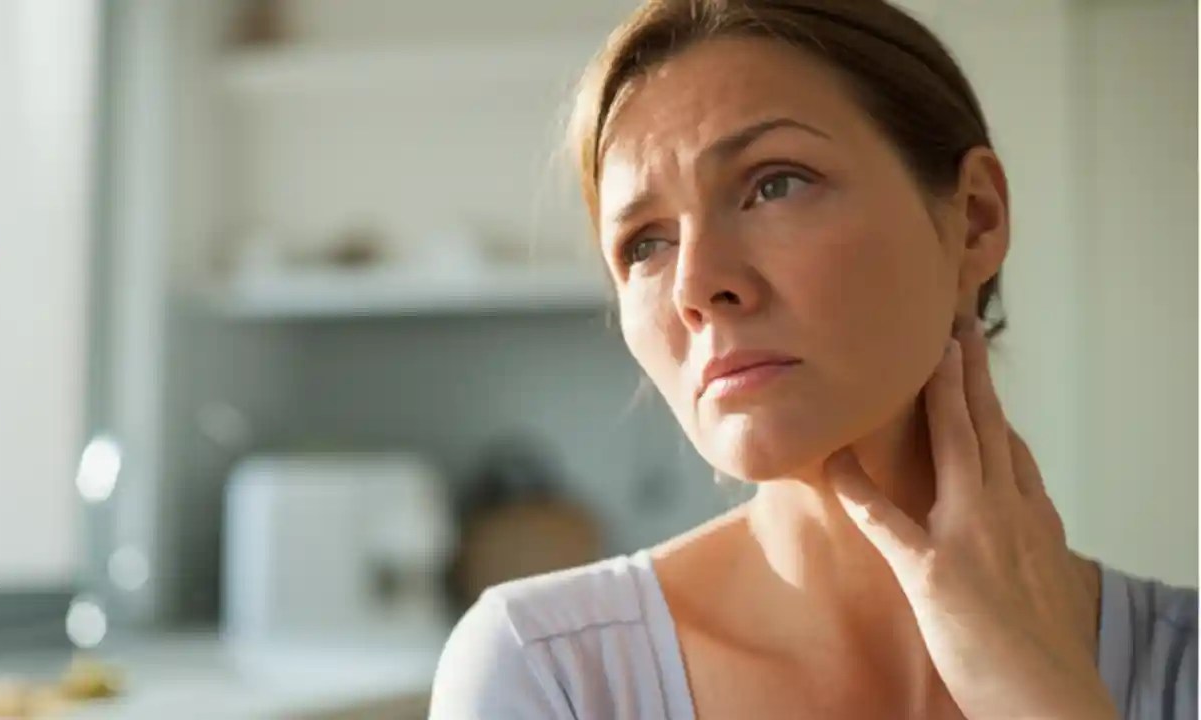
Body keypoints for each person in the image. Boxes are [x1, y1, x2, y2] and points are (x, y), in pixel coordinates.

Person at [429, 1, 1198, 718]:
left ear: (975, 221)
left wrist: (1038, 694)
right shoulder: (546, 674)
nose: (697, 286)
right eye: (646, 244)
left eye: (776, 184)